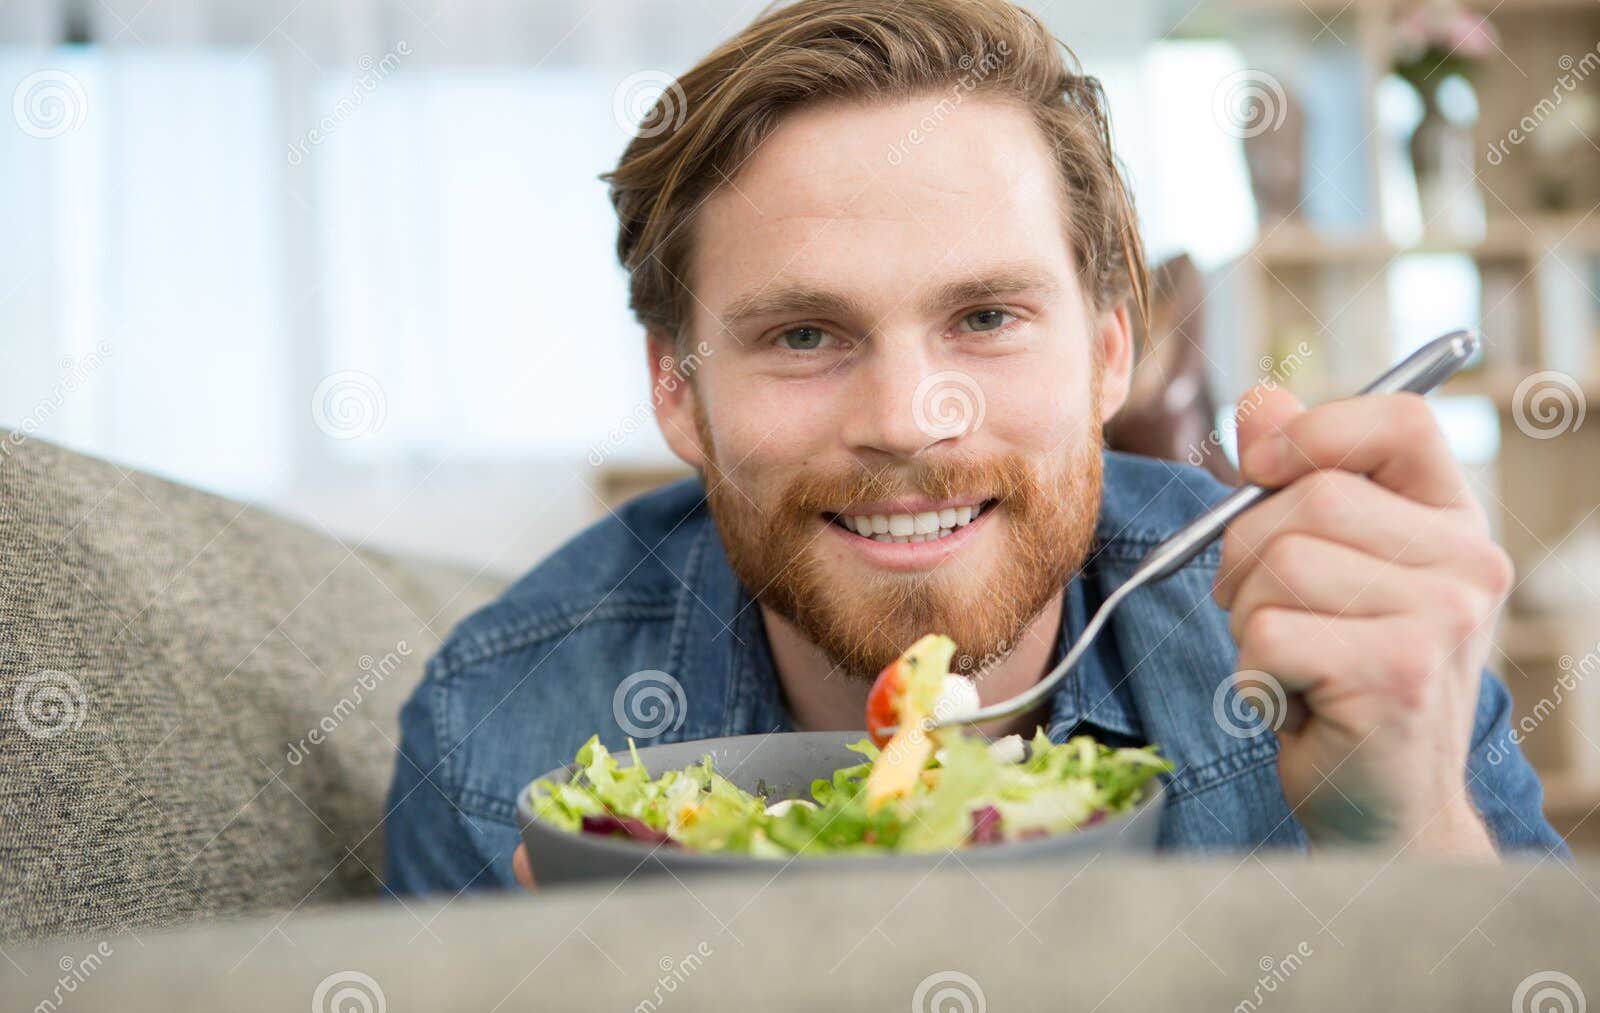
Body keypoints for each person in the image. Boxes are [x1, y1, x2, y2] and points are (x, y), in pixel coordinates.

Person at [385, 0, 1565, 896]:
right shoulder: (497, 734)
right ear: (675, 389)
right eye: (803, 333)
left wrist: (1407, 838)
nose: (908, 419)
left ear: (1112, 352)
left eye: (986, 318)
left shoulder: (1345, 640)